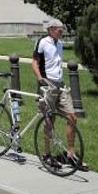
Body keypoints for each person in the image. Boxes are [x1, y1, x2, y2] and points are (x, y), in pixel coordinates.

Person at [31, 19, 88, 171]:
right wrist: (40, 78)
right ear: (50, 30)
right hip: (47, 85)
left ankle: (70, 153)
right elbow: (35, 62)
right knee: (49, 120)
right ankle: (47, 154)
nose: (62, 32)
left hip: (60, 85)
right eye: (59, 30)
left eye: (62, 30)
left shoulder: (60, 44)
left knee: (72, 116)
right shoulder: (42, 42)